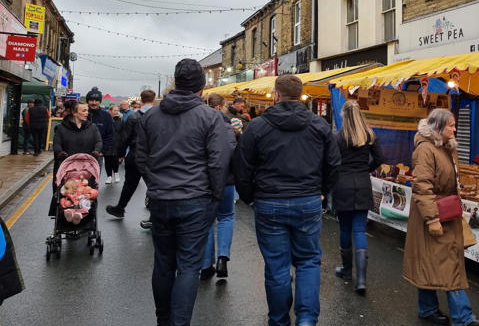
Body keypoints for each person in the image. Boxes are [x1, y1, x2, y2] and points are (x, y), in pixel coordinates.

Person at [233, 74, 340, 326]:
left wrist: (250, 198)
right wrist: (322, 191)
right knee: (308, 261)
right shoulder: (319, 125)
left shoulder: (257, 126)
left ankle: (279, 320)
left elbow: (242, 166)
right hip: (307, 199)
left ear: (276, 95)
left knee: (277, 265)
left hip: (270, 201)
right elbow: (334, 164)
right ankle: (306, 320)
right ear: (301, 96)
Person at [135, 59, 235, 326]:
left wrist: (155, 184)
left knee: (164, 263)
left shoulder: (150, 116)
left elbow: (140, 158)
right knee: (189, 266)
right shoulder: (211, 117)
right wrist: (213, 195)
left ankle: (163, 320)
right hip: (196, 199)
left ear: (176, 83)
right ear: (201, 88)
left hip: (161, 198)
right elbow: (218, 162)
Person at [402, 108, 479, 326]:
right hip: (434, 215)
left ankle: (428, 309)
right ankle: (463, 318)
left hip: (445, 213)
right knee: (449, 264)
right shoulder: (426, 150)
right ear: (438, 127)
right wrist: (432, 219)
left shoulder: (446, 147)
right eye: (450, 125)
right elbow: (422, 185)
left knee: (430, 261)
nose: (455, 128)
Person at [333, 100, 383, 294]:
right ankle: (361, 280)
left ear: (344, 115)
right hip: (363, 184)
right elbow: (380, 158)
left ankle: (347, 271)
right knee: (359, 230)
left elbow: (333, 161)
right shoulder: (369, 135)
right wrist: (365, 170)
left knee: (345, 228)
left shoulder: (339, 137)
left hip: (343, 185)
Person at [200, 93, 237, 281]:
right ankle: (223, 257)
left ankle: (206, 265)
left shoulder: (201, 124)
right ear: (220, 107)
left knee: (207, 221)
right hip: (227, 180)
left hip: (205, 181)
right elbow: (233, 153)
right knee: (226, 217)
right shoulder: (229, 126)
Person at [106, 90, 156, 228]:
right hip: (154, 155)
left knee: (130, 183)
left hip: (135, 153)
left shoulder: (133, 117)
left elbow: (125, 137)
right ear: (154, 100)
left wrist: (121, 154)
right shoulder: (158, 116)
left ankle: (120, 208)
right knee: (154, 185)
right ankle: (154, 217)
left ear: (141, 100)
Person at [50, 102, 102, 216]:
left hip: (86, 166)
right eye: (84, 110)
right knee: (63, 190)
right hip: (67, 164)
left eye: (87, 110)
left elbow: (98, 141)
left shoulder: (92, 127)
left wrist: (96, 150)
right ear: (74, 113)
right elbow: (57, 144)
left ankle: (83, 213)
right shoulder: (62, 128)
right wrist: (60, 153)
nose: (87, 113)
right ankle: (66, 211)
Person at [86, 87, 115, 171]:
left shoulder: (106, 116)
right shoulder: (82, 114)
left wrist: (102, 150)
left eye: (96, 100)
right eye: (91, 100)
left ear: (100, 101)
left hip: (98, 154)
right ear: (88, 101)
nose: (94, 103)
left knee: (95, 180)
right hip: (82, 153)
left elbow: (110, 135)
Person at [104, 104, 123, 184]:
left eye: (117, 110)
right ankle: (109, 176)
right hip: (107, 142)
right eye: (114, 110)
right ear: (110, 111)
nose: (116, 112)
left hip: (116, 142)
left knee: (115, 159)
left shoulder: (120, 120)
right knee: (107, 160)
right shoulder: (105, 119)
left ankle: (116, 173)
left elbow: (121, 131)